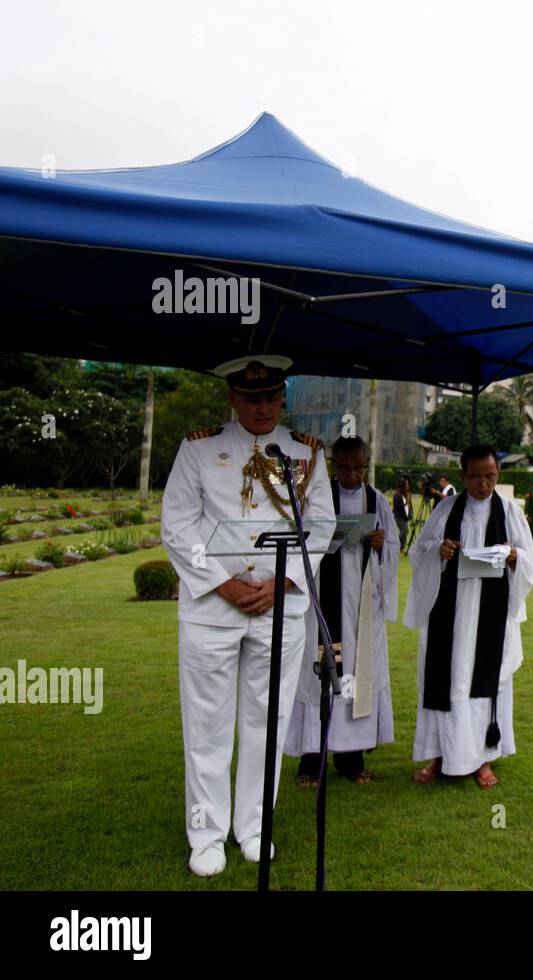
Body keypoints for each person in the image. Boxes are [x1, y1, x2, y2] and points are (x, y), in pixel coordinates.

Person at [161, 355, 331, 877]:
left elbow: (321, 524)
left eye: (271, 397)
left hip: (280, 607)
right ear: (233, 399)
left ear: (283, 398)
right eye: (250, 397)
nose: (262, 407)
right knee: (207, 726)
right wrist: (227, 585)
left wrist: (281, 584)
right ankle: (207, 834)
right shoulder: (198, 448)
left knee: (268, 722)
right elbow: (178, 525)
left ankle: (255, 827)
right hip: (213, 609)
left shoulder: (305, 452)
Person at [404, 444, 533, 789]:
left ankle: (484, 758)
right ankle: (439, 755)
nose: (483, 484)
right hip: (450, 613)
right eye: (475, 477)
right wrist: (439, 551)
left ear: (498, 474)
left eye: (490, 476)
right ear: (463, 476)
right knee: (443, 681)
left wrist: (512, 557)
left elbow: (530, 562)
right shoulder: (446, 510)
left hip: (489, 617)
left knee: (487, 683)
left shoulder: (509, 512)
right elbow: (418, 553)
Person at [285, 437, 398, 786]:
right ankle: (311, 761)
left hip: (362, 608)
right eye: (344, 468)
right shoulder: (315, 499)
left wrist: (380, 547)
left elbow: (393, 549)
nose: (352, 475)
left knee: (357, 679)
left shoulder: (377, 501)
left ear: (366, 463)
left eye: (359, 467)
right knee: (318, 675)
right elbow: (298, 541)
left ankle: (352, 759)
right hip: (323, 603)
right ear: (332, 466)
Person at [392, 477, 413, 555]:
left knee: (405, 531)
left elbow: (409, 506)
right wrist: (405, 503)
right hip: (399, 517)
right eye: (406, 484)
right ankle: (396, 545)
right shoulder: (397, 494)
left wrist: (410, 515)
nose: (408, 485)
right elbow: (396, 507)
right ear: (402, 485)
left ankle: (401, 548)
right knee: (405, 531)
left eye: (408, 484)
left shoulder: (406, 493)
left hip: (405, 517)